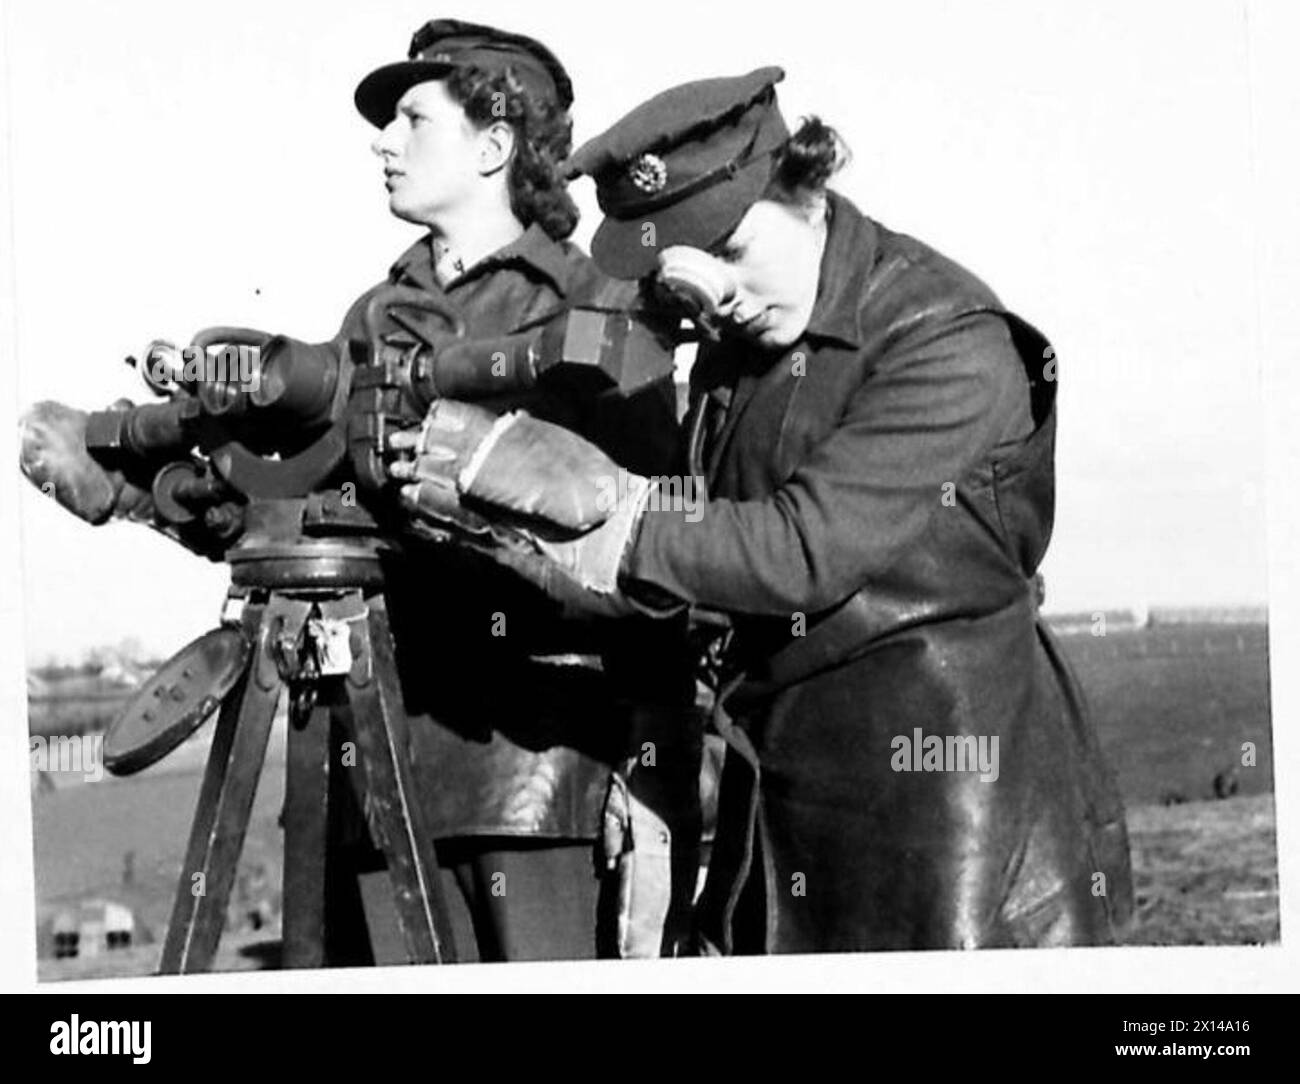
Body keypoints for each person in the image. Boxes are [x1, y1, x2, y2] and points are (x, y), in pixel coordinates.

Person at [387, 67, 1135, 952]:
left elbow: (798, 549)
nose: (723, 296)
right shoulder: (742, 346)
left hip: (955, 822)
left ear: (809, 188)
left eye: (736, 251)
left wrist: (601, 506)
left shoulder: (947, 337)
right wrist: (501, 515)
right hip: (780, 809)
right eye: (691, 276)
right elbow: (694, 553)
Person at [20, 19, 698, 962]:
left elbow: (654, 567)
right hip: (370, 771)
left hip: (536, 779)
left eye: (414, 119)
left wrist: (654, 762)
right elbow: (304, 515)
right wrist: (136, 488)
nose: (384, 140)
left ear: (496, 145)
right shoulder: (374, 317)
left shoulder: (594, 315)